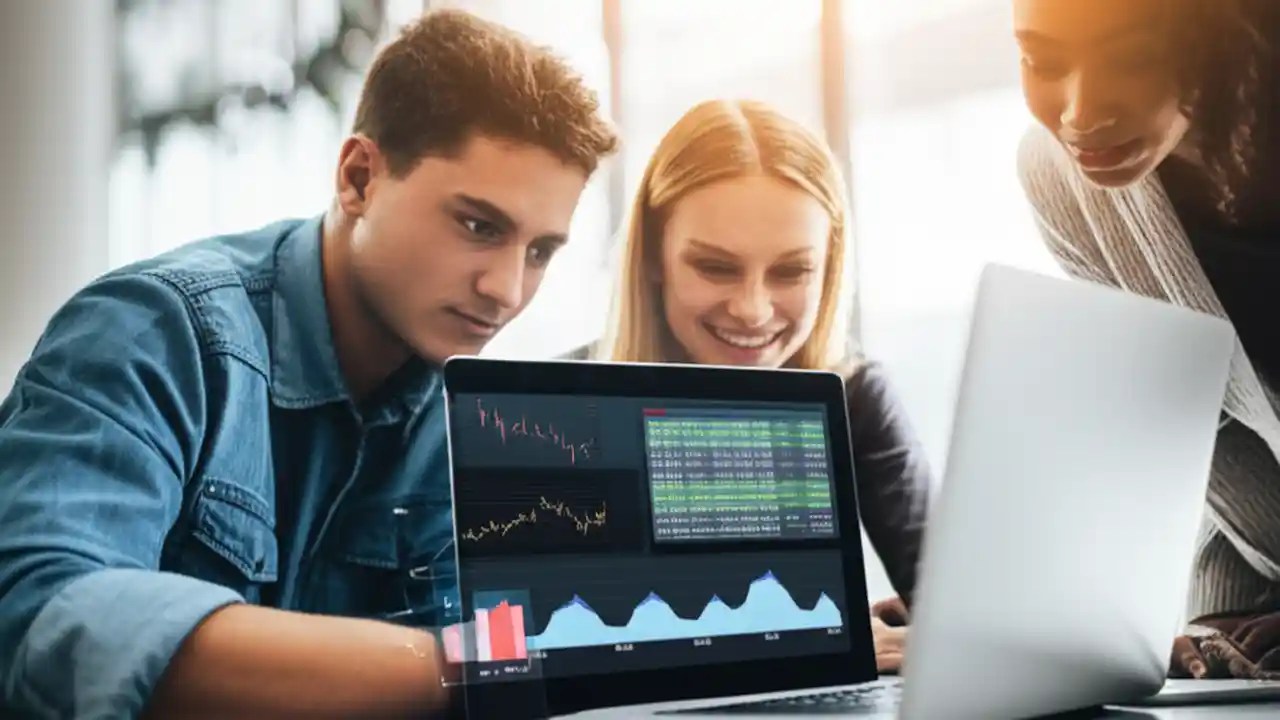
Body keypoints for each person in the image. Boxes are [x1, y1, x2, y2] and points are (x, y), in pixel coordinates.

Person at [0, 9, 617, 719]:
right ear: (359, 178)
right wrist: (461, 668)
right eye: (479, 227)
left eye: (540, 251)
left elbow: (517, 649)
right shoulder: (155, 331)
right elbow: (41, 613)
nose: (507, 291)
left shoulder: (466, 420)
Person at [587, 99, 933, 673]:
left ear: (830, 266)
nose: (753, 310)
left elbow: (958, 611)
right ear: (653, 257)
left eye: (792, 271)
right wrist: (806, 640)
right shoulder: (561, 405)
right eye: (715, 268)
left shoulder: (854, 393)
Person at [1014, 0, 1280, 679]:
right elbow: (1208, 432)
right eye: (1042, 60)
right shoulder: (1062, 180)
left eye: (1133, 57)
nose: (1079, 111)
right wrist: (1203, 624)